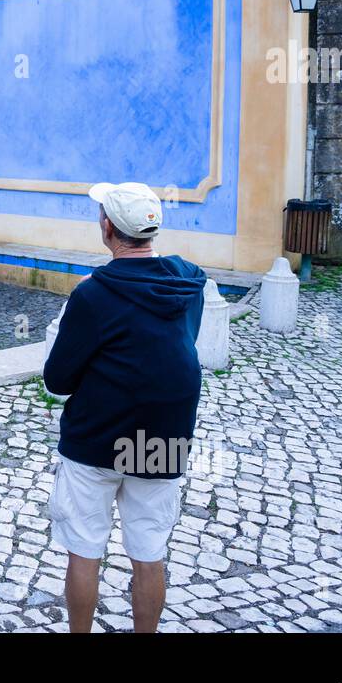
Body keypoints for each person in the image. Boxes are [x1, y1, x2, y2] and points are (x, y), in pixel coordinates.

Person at [43, 181, 206, 633]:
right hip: (164, 436)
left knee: (84, 548)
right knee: (149, 552)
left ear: (107, 227)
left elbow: (57, 379)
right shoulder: (188, 283)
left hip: (96, 440)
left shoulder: (94, 294)